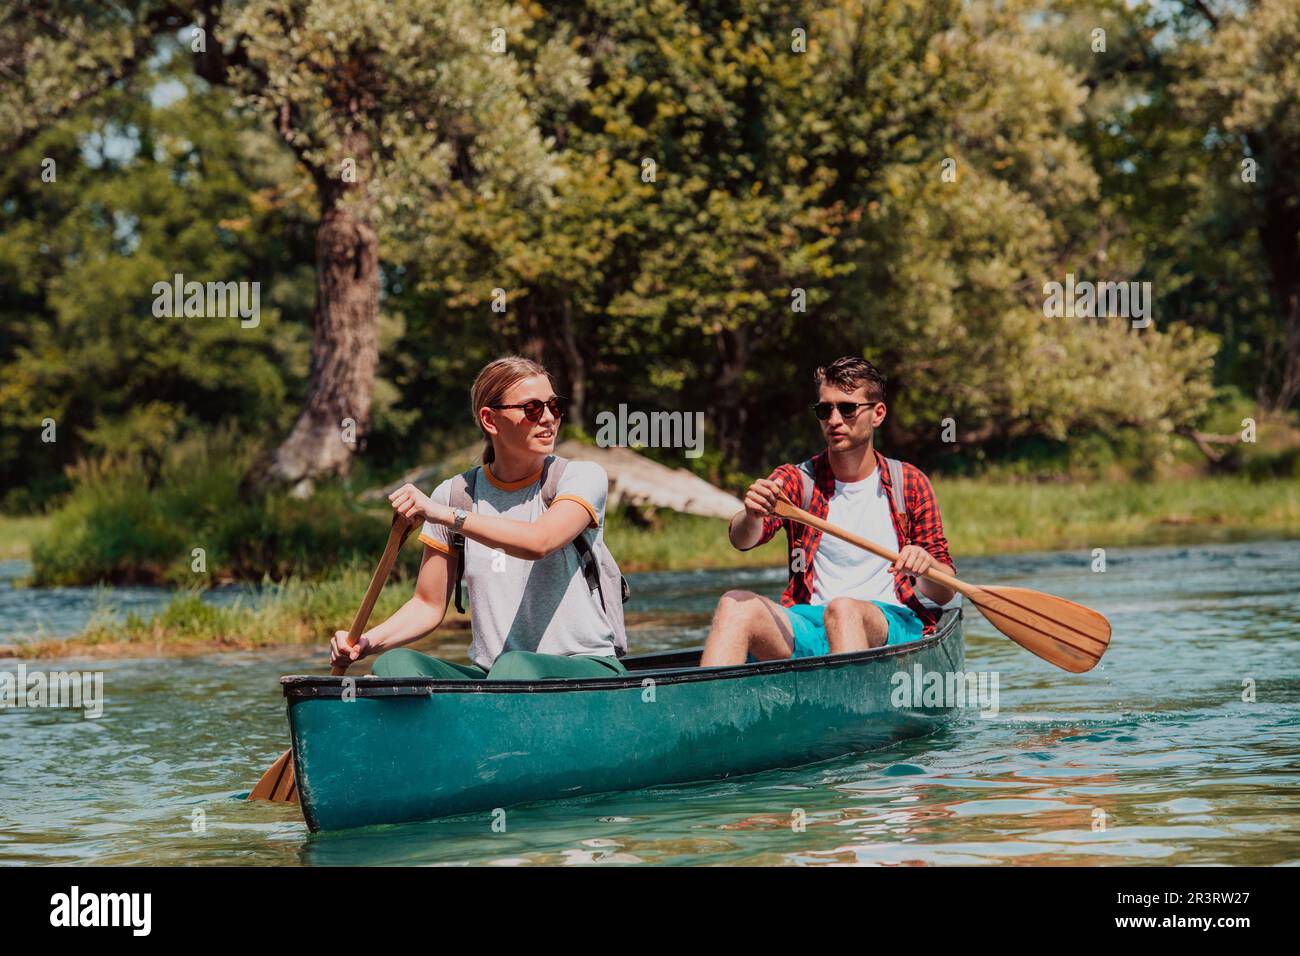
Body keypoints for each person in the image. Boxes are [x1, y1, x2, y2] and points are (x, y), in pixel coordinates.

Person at [330, 355, 626, 680]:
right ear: (490, 419)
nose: (548, 419)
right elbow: (427, 605)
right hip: (494, 678)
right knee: (394, 665)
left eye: (554, 406)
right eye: (532, 408)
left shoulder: (581, 477)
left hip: (585, 669)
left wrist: (445, 515)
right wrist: (366, 642)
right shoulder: (457, 495)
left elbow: (540, 541)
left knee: (516, 667)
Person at [700, 356, 955, 666]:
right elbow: (742, 540)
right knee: (734, 605)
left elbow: (944, 594)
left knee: (843, 608)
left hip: (891, 621)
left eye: (847, 408)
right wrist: (752, 514)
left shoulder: (910, 483)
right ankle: (710, 712)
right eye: (825, 409)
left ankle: (850, 713)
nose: (834, 419)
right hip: (808, 622)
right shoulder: (796, 480)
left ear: (877, 414)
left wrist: (925, 567)